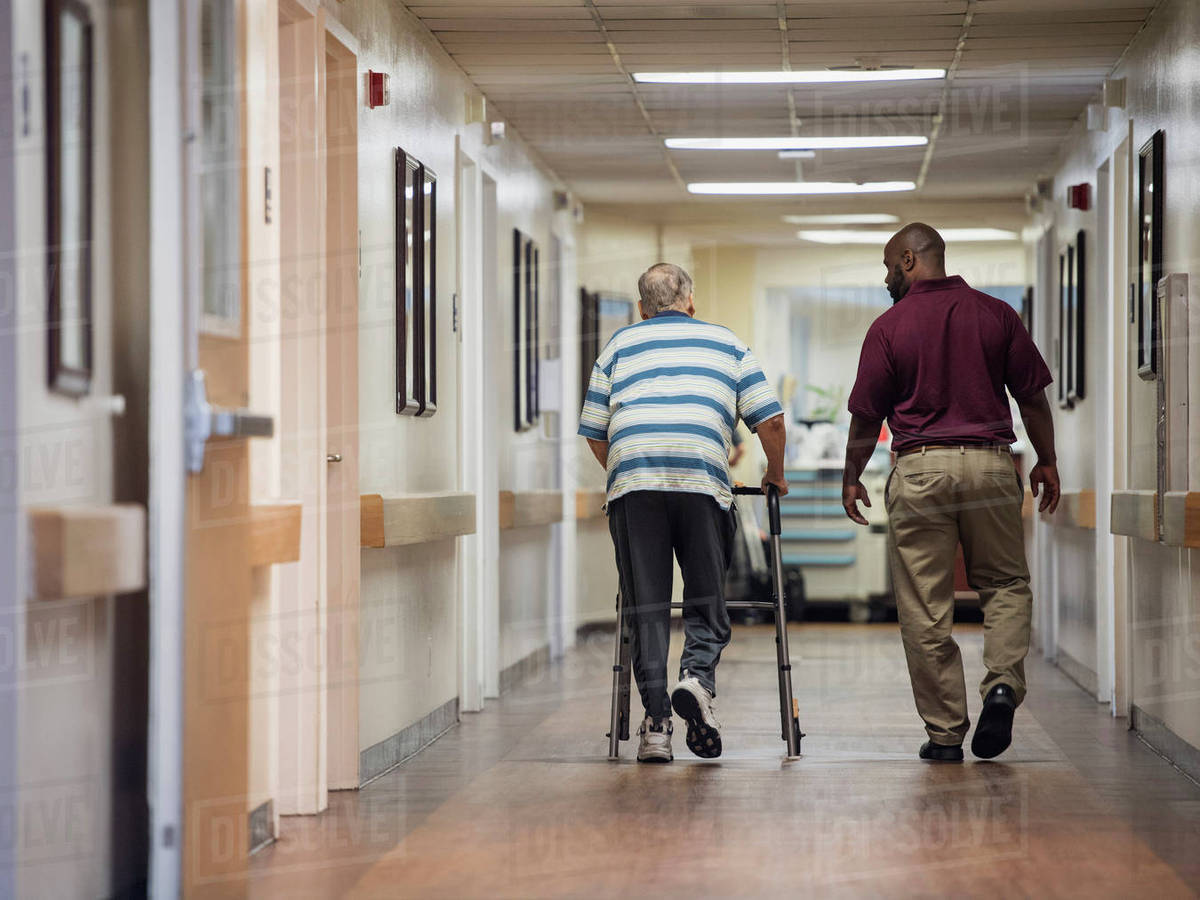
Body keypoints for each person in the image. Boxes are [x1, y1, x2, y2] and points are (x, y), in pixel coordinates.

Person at [841, 223, 1060, 763]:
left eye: (889, 265)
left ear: (909, 260)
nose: (886, 278)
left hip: (920, 470)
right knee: (1005, 584)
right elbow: (1032, 398)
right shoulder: (996, 314)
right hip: (990, 464)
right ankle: (1002, 684)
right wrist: (1048, 460)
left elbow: (867, 417)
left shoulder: (889, 327)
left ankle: (944, 734)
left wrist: (851, 476)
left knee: (924, 605)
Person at [579, 263, 788, 763]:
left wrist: (629, 474)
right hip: (702, 479)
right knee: (706, 594)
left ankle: (656, 726)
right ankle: (696, 678)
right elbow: (772, 421)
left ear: (641, 308)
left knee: (645, 607)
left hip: (635, 486)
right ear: (690, 302)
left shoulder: (617, 346)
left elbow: (594, 431)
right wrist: (775, 474)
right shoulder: (726, 343)